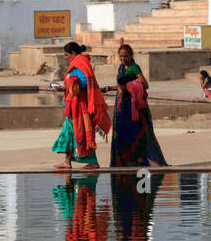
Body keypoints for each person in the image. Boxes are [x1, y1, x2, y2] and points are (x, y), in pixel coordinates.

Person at [52, 41, 108, 170]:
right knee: (70, 132)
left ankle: (93, 162)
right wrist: (67, 87)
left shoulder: (81, 63)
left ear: (73, 53)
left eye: (66, 55)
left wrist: (70, 85)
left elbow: (83, 82)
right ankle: (67, 161)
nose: (65, 57)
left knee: (81, 132)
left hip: (80, 105)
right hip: (73, 105)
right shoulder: (77, 62)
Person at [109, 44, 167, 167]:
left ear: (131, 56)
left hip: (133, 106)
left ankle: (144, 160)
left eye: (125, 56)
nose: (123, 59)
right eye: (120, 57)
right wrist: (109, 88)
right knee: (122, 133)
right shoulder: (121, 68)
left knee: (137, 133)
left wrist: (130, 86)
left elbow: (145, 84)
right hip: (121, 106)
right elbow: (121, 86)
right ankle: (124, 162)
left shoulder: (135, 68)